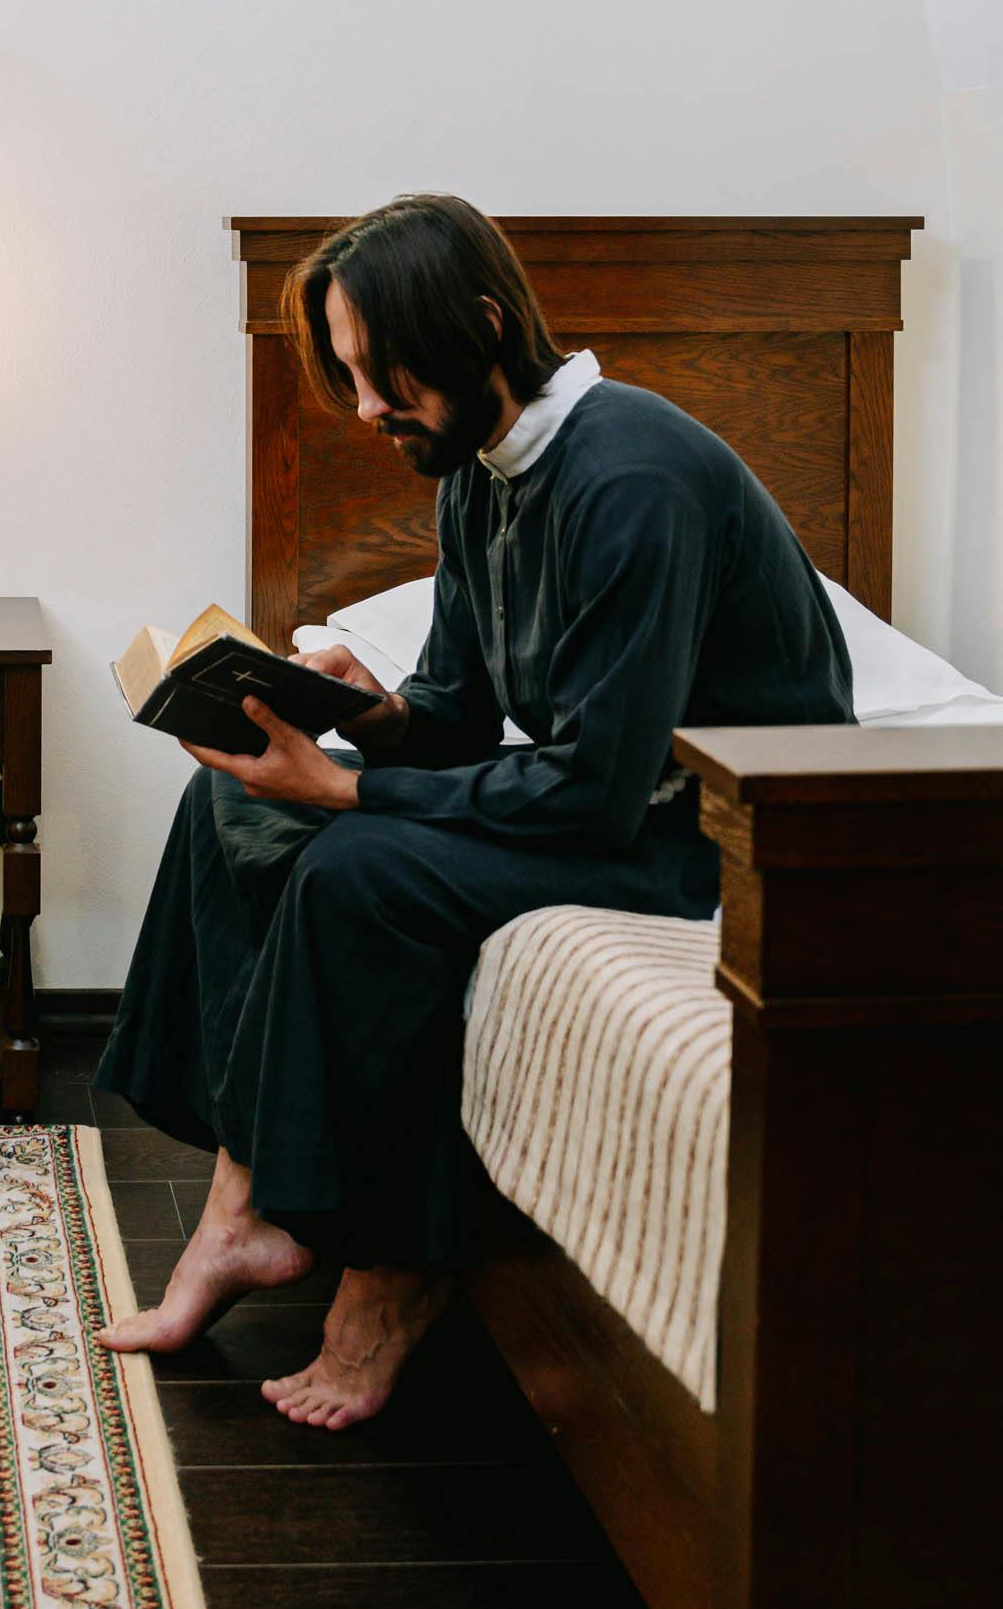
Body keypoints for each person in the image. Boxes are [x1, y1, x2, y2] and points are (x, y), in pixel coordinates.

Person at [96, 193, 852, 1429]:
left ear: (484, 326)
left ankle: (389, 1277)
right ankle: (246, 1207)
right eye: (344, 376)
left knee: (358, 873)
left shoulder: (633, 479)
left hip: (722, 846)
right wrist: (351, 710)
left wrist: (345, 786)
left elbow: (598, 786)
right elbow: (458, 709)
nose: (362, 408)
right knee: (230, 812)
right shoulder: (479, 471)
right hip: (608, 803)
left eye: (379, 372)